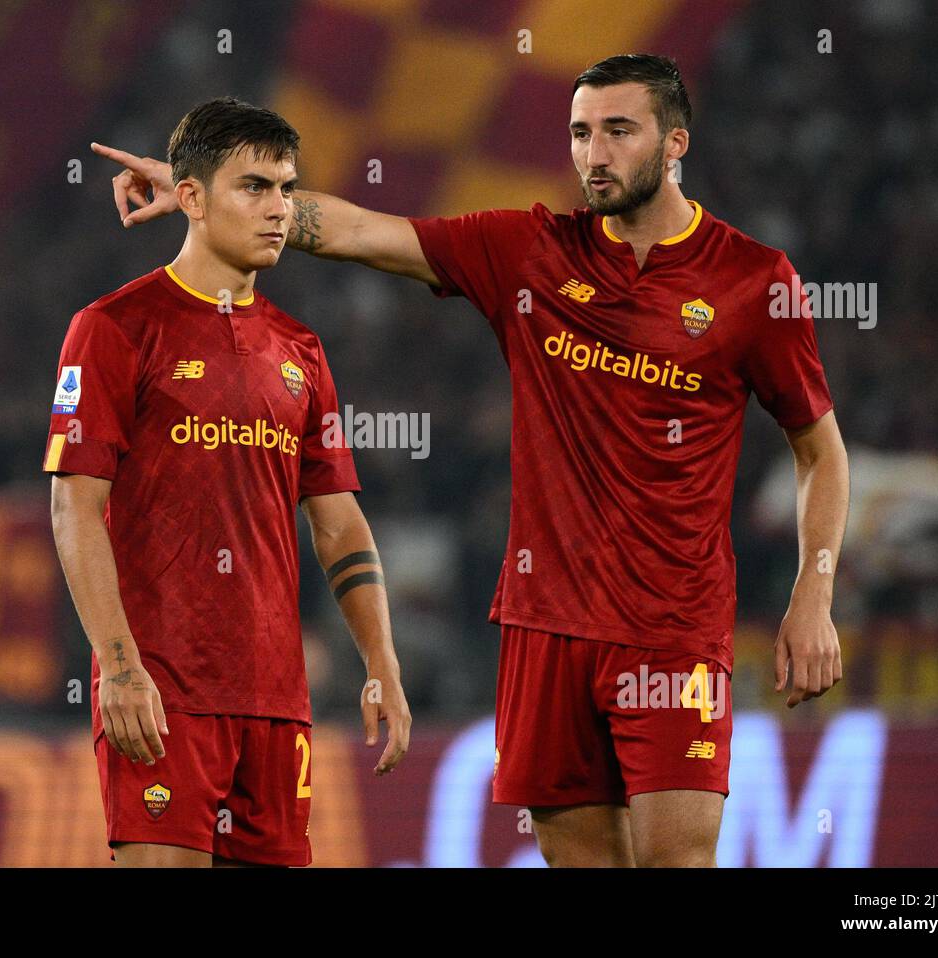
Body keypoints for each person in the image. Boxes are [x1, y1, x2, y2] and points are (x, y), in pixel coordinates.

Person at [94, 53, 849, 868]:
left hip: (673, 630)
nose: (594, 155)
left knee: (679, 859)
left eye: (618, 132)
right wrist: (197, 203)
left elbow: (821, 453)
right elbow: (354, 230)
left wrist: (815, 591)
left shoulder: (752, 280)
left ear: (675, 143)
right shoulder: (530, 252)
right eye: (580, 133)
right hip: (542, 628)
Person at [48, 96, 410, 868]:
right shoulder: (113, 329)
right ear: (192, 198)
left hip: (278, 702)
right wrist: (118, 665)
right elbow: (74, 506)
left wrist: (382, 662)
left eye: (286, 187)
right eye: (255, 187)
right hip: (162, 691)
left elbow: (339, 523)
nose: (279, 209)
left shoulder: (301, 349)